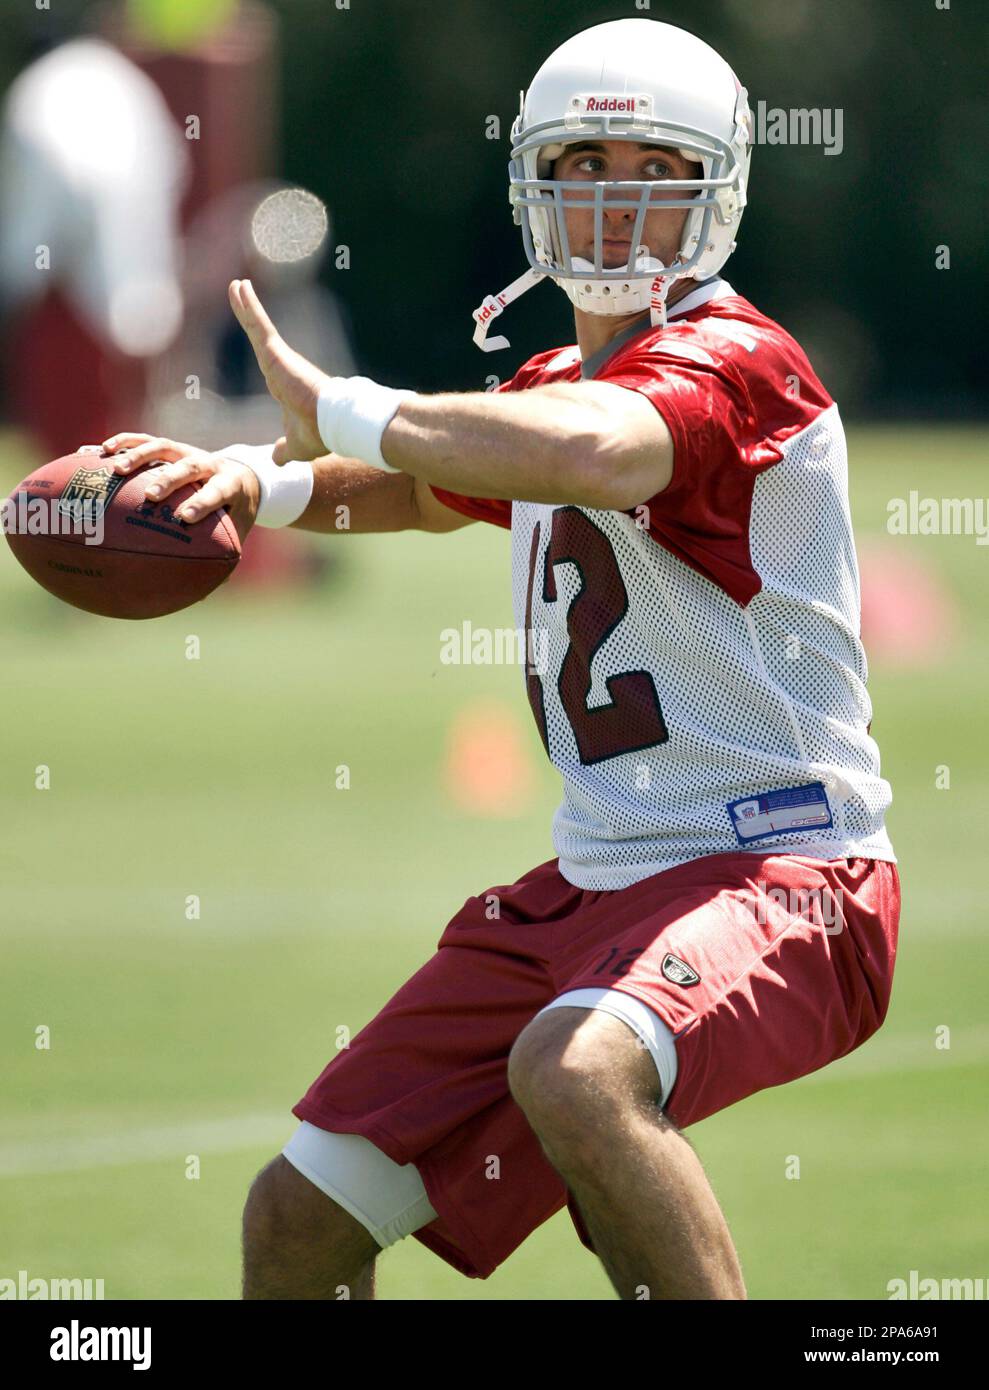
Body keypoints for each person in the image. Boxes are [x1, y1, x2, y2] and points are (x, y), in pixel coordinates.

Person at [98, 18, 899, 1300]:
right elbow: (429, 487)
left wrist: (356, 402)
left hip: (783, 867)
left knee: (576, 1068)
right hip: (590, 888)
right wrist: (255, 477)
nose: (611, 199)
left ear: (715, 191)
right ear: (532, 182)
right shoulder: (543, 385)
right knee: (297, 1216)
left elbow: (592, 452)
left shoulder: (739, 362)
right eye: (581, 163)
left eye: (652, 167)